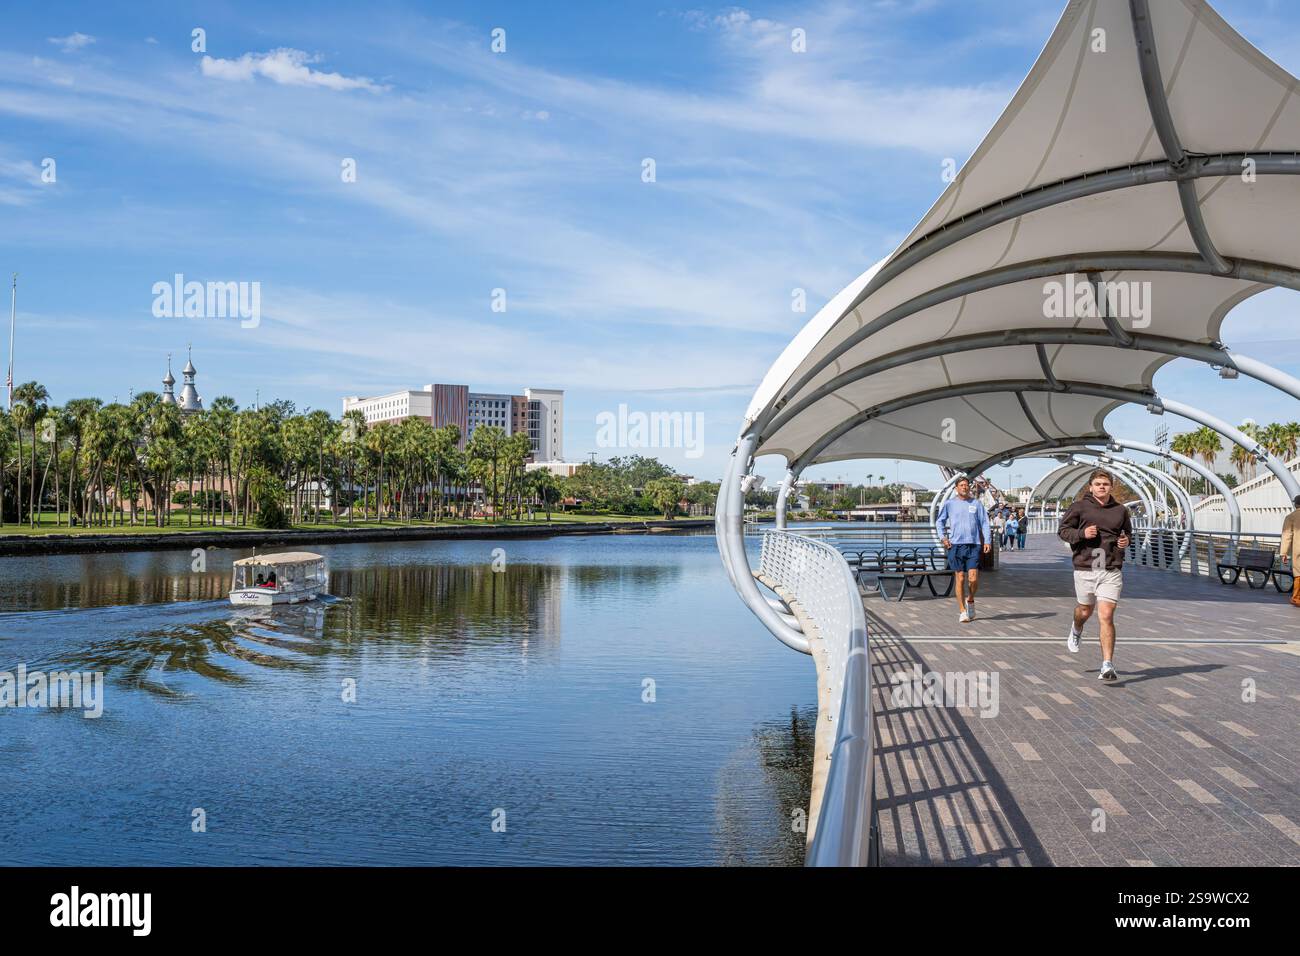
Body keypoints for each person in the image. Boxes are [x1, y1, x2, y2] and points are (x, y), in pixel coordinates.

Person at [1059, 469, 1132, 682]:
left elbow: (1127, 532)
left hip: (1111, 569)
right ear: (1090, 487)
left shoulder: (1120, 510)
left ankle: (1107, 664)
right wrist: (1082, 534)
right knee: (1084, 611)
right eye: (1098, 483)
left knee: (1106, 615)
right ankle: (1077, 627)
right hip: (1085, 569)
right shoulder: (1079, 507)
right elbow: (1063, 531)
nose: (1102, 487)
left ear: (1111, 487)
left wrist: (1125, 541)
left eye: (1106, 484)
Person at [937, 476, 992, 623]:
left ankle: (971, 600)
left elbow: (985, 523)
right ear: (956, 488)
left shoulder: (976, 503)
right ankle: (962, 611)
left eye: (966, 485)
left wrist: (987, 541)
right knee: (960, 578)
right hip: (955, 545)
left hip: (973, 545)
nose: (964, 487)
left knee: (973, 579)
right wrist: (943, 538)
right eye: (961, 485)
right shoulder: (949, 504)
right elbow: (940, 521)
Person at [1281, 494, 1300, 607]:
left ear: (1295, 504)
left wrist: (1283, 553)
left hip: (1298, 549)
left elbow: (1286, 535)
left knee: (1298, 573)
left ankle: (1297, 598)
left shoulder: (1291, 517)